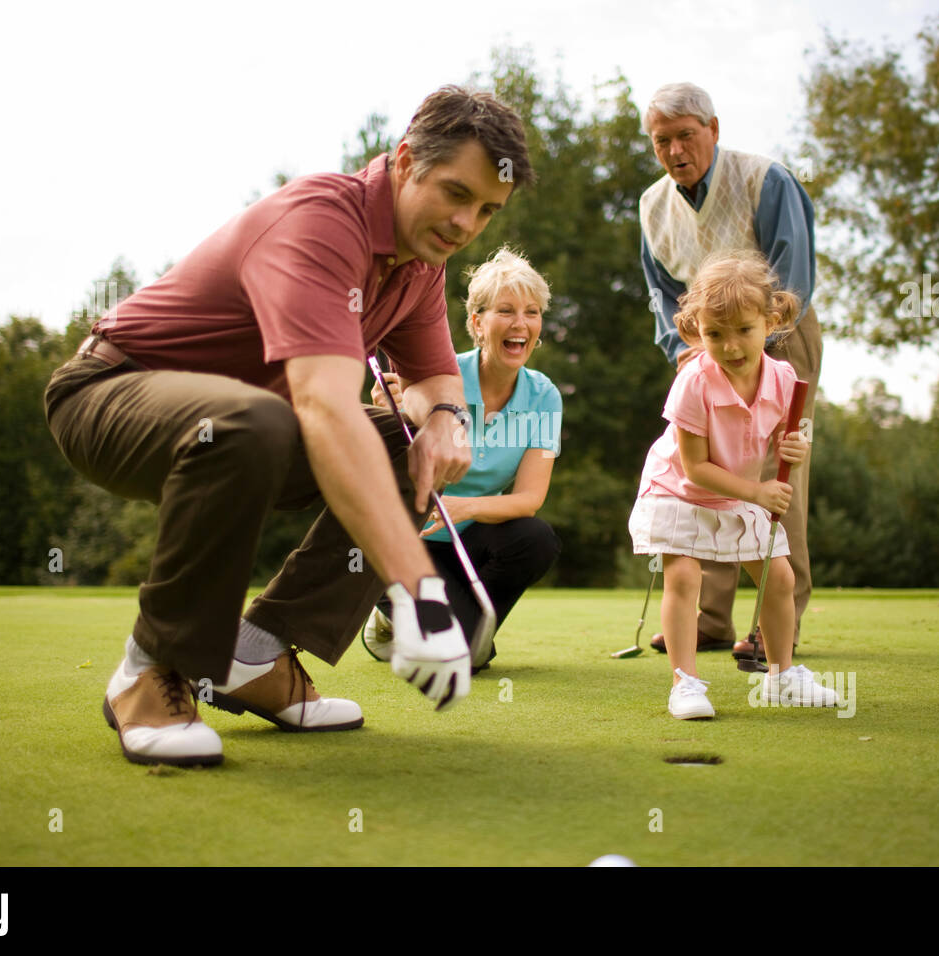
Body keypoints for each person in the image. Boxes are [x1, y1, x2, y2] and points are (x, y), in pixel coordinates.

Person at [43, 86, 534, 767]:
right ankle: (148, 671)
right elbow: (326, 410)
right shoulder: (321, 220)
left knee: (400, 441)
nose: (465, 221)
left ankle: (254, 656)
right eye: (455, 193)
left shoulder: (422, 263)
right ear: (403, 162)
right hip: (106, 395)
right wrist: (419, 590)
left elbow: (433, 373)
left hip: (241, 434)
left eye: (486, 210)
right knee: (259, 422)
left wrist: (448, 418)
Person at [638, 82, 821, 662]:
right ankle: (710, 620)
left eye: (686, 135)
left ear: (713, 129)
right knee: (707, 473)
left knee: (777, 468)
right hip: (706, 348)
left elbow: (792, 275)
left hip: (778, 335)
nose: (674, 150)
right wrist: (684, 348)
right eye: (661, 140)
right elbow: (662, 292)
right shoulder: (651, 205)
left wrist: (761, 346)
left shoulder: (766, 179)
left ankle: (777, 620)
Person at [630, 253, 838, 718]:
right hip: (679, 488)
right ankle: (686, 683)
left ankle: (781, 677)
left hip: (737, 489)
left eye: (744, 329)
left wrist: (796, 448)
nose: (731, 346)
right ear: (695, 331)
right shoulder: (693, 382)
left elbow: (791, 434)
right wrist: (759, 493)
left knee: (778, 577)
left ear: (772, 321)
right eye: (714, 334)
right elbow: (696, 469)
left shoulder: (784, 378)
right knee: (684, 576)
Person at [361, 247, 562, 671]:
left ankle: (461, 635)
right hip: (408, 542)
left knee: (536, 538)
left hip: (471, 544)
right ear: (477, 322)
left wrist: (463, 508)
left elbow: (528, 499)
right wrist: (385, 411)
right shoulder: (437, 375)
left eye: (531, 311)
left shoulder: (544, 396)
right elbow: (382, 463)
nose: (520, 324)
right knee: (463, 654)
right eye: (505, 310)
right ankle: (393, 618)